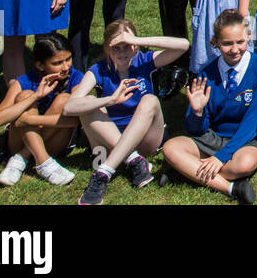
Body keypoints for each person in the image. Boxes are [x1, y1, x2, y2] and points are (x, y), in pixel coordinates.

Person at [65, 20, 186, 205]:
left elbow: (183, 45)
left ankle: (104, 173)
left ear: (135, 46)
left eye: (127, 46)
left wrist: (138, 39)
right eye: (116, 48)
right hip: (108, 143)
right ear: (107, 48)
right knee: (88, 102)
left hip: (145, 140)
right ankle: (132, 159)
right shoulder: (98, 70)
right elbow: (68, 107)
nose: (122, 53)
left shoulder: (144, 61)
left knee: (150, 100)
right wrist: (111, 100)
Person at [161, 11, 257, 203]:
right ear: (215, 42)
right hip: (214, 137)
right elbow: (195, 129)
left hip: (248, 139)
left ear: (248, 38)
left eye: (240, 42)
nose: (235, 49)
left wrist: (220, 158)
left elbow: (252, 123)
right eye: (227, 43)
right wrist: (197, 111)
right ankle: (231, 187)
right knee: (170, 148)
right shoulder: (206, 73)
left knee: (244, 165)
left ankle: (187, 170)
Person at [0, 32, 81, 188]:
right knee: (25, 95)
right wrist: (35, 97)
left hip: (55, 143)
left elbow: (78, 120)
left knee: (64, 100)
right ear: (40, 65)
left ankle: (22, 157)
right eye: (57, 63)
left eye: (68, 59)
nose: (66, 67)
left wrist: (29, 120)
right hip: (18, 141)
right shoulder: (25, 81)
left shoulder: (76, 77)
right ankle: (43, 162)